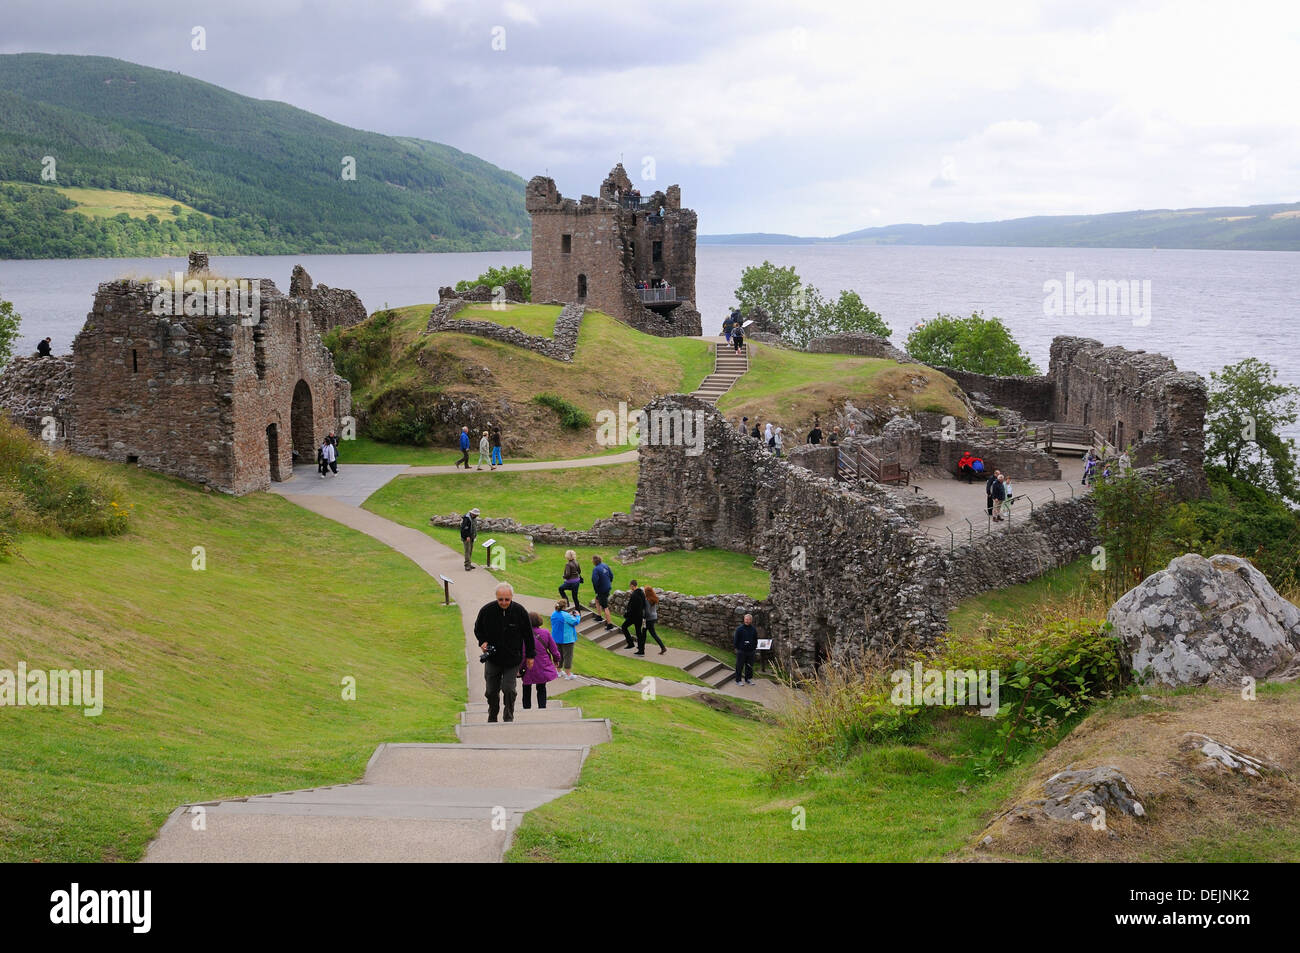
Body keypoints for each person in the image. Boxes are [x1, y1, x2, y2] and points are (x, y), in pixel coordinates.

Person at [474, 583, 535, 723]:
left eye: (507, 599)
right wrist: (482, 642)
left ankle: (508, 716)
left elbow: (528, 635)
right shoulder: (487, 610)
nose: (504, 602)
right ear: (496, 597)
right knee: (491, 691)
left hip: (512, 659)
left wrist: (531, 656)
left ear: (511, 597)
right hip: (493, 659)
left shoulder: (520, 612)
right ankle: (493, 714)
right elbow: (478, 629)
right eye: (500, 599)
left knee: (508, 689)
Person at [522, 612, 562, 709]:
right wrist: (557, 659)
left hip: (527, 665)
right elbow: (554, 650)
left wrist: (519, 667)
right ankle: (542, 708)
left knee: (526, 688)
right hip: (542, 664)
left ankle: (526, 709)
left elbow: (521, 652)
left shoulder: (522, 635)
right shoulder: (546, 633)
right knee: (541, 687)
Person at [550, 600, 581, 680]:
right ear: (564, 606)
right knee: (568, 656)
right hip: (567, 639)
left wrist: (569, 615)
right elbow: (575, 622)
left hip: (556, 638)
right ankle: (568, 674)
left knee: (558, 655)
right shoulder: (566, 615)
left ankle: (559, 671)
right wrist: (577, 615)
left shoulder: (554, 614)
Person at [620, 579, 647, 653]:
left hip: (633, 616)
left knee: (624, 627)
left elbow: (632, 607)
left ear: (632, 585)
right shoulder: (642, 593)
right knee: (638, 632)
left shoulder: (635, 595)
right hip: (639, 616)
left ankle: (631, 643)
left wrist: (627, 614)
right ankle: (641, 649)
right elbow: (644, 605)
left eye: (630, 586)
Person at [733, 614, 759, 686]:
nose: (747, 621)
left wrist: (754, 647)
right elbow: (736, 640)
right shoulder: (739, 629)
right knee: (739, 666)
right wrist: (737, 648)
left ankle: (748, 679)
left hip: (750, 651)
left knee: (749, 666)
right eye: (746, 619)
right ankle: (738, 680)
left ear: (751, 620)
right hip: (741, 651)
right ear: (744, 619)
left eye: (748, 619)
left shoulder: (753, 629)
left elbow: (755, 639)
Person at [591, 554, 615, 630]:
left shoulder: (596, 569)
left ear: (594, 561)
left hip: (602, 590)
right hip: (607, 587)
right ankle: (599, 616)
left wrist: (596, 590)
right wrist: (608, 582)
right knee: (597, 600)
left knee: (605, 607)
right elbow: (611, 576)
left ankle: (609, 624)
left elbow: (595, 581)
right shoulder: (605, 565)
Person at [643, 586, 667, 654]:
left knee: (647, 632)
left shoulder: (647, 600)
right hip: (654, 618)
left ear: (647, 592)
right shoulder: (654, 598)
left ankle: (642, 647)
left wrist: (643, 617)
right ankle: (662, 647)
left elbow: (647, 612)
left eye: (645, 591)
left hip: (648, 619)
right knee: (647, 632)